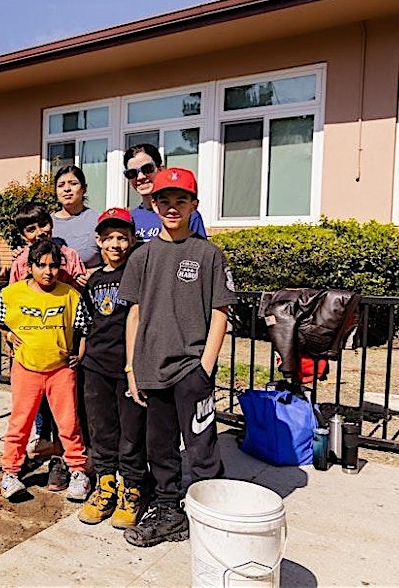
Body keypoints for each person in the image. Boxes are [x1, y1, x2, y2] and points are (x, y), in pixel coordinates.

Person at [118, 167, 236, 547]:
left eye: (180, 201)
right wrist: (132, 368)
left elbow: (221, 312)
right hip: (151, 367)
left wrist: (204, 367)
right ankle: (169, 511)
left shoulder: (208, 254)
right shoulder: (141, 256)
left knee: (202, 446)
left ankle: (210, 514)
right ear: (153, 205)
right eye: (164, 201)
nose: (172, 208)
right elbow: (133, 314)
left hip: (190, 369)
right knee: (161, 447)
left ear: (194, 205)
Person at [0, 239, 92, 503]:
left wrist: (79, 353)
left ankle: (78, 471)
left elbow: (84, 327)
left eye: (54, 266)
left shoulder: (69, 294)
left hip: (60, 370)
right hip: (26, 369)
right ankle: (10, 473)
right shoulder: (13, 294)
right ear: (29, 266)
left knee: (68, 424)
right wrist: (7, 335)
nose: (48, 272)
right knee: (20, 423)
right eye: (41, 265)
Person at [76, 208, 148, 529]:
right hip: (96, 366)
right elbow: (87, 321)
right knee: (101, 428)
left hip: (128, 368)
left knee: (131, 432)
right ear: (98, 241)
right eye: (108, 238)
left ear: (133, 240)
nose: (115, 244)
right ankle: (105, 484)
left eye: (122, 238)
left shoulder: (138, 273)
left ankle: (132, 488)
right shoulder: (94, 279)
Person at [9, 202, 87, 490]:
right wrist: (8, 334)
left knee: (65, 411)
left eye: (44, 224)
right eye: (31, 229)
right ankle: (36, 453)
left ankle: (63, 461)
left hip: (62, 347)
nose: (40, 232)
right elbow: (9, 302)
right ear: (23, 235)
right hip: (31, 351)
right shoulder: (20, 262)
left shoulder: (68, 255)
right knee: (32, 409)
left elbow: (79, 303)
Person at [122, 143, 206, 241]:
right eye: (132, 173)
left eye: (147, 169)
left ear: (161, 169)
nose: (140, 177)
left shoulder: (186, 215)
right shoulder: (129, 219)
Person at [51, 165, 103, 271]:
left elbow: (113, 260)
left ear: (84, 188)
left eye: (73, 184)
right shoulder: (46, 224)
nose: (67, 189)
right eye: (61, 185)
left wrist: (94, 274)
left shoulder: (97, 221)